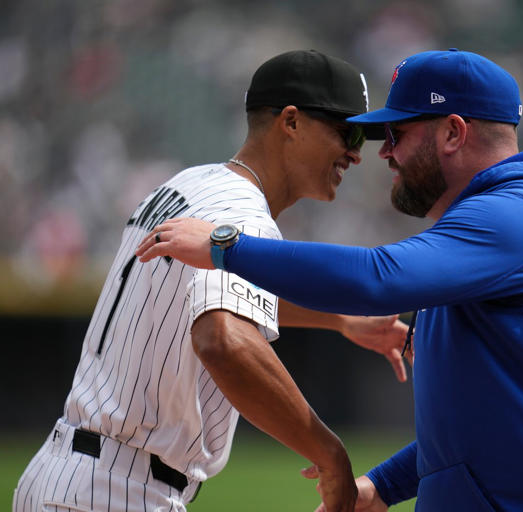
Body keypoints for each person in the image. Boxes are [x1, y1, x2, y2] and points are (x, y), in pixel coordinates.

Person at [136, 49, 523, 511]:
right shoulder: (481, 238)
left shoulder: (521, 215)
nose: (384, 152)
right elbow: (486, 424)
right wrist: (386, 486)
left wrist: (225, 246)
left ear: (454, 132)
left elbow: (376, 278)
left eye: (397, 132)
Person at [13, 49, 411, 512]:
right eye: (346, 132)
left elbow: (213, 295)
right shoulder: (241, 217)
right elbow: (222, 339)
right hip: (119, 489)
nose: (355, 154)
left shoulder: (191, 185)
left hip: (70, 475)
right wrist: (330, 453)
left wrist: (339, 318)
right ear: (291, 121)